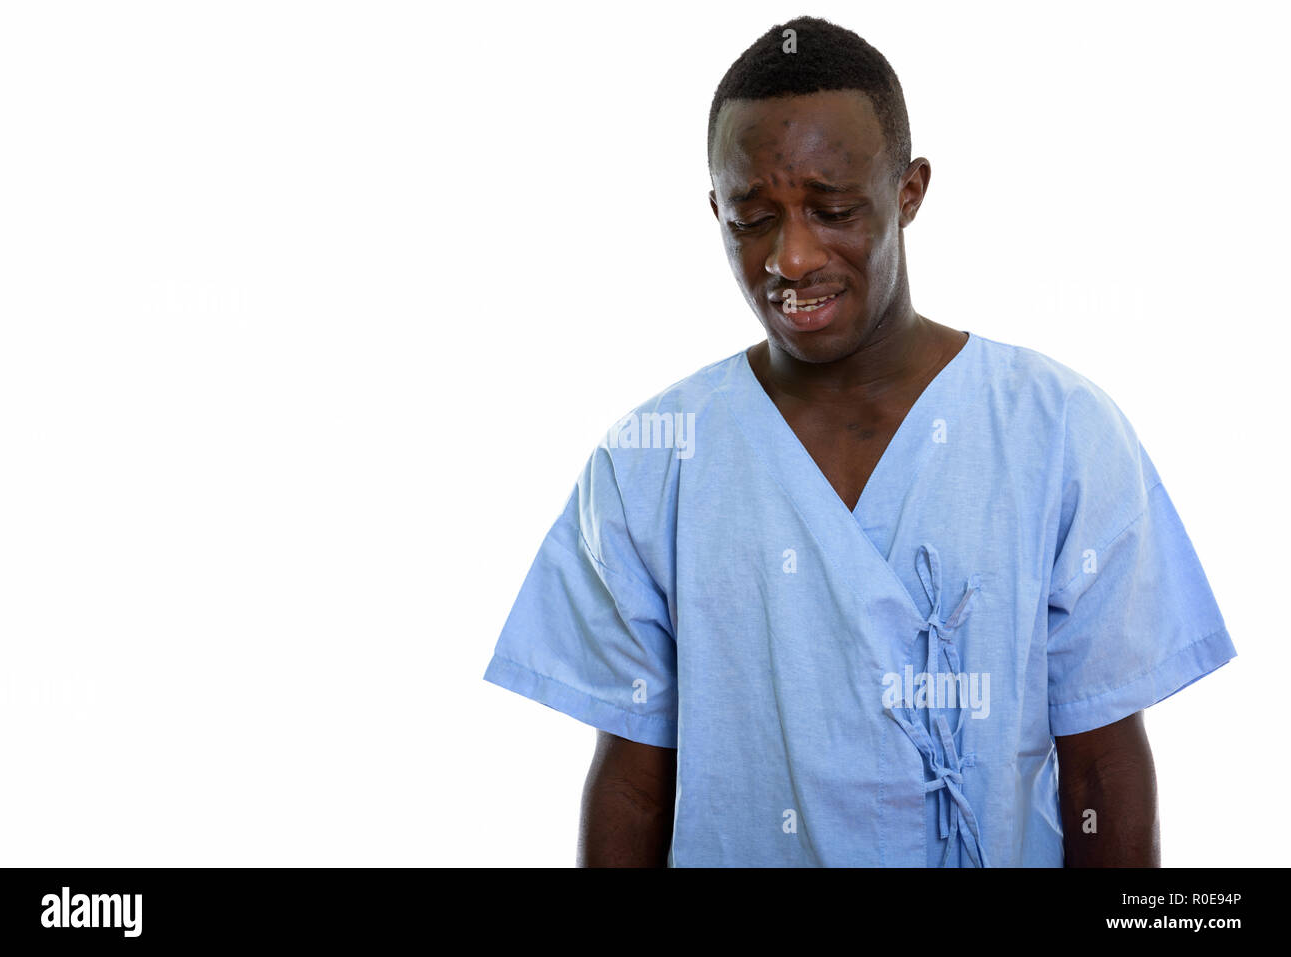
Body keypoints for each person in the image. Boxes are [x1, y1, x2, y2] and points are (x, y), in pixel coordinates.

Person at [481, 15, 1236, 867]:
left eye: (833, 209)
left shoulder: (1057, 431)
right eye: (751, 218)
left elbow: (1101, 770)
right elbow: (633, 779)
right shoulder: (654, 461)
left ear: (909, 191)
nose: (792, 257)